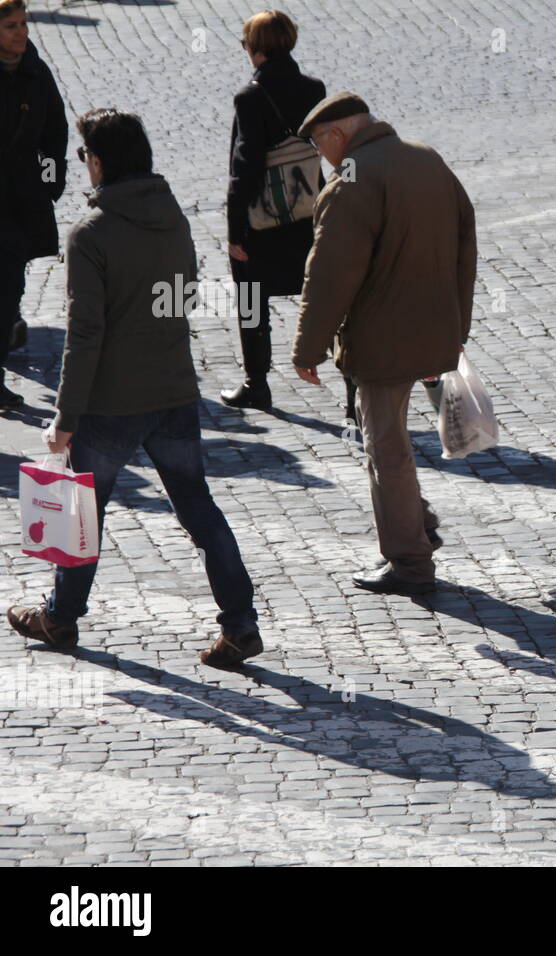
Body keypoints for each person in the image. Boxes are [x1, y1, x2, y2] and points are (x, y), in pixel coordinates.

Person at [6, 110, 263, 668]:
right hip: (173, 390)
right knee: (199, 510)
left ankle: (60, 617)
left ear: (98, 162)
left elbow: (86, 333)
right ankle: (240, 625)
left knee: (82, 515)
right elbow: (183, 296)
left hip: (110, 404)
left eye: (84, 157)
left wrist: (64, 416)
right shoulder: (172, 218)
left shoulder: (90, 234)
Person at [291, 93, 476, 596]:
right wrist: (458, 322)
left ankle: (410, 562)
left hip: (381, 337)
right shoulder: (426, 158)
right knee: (389, 444)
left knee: (385, 450)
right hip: (435, 325)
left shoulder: (353, 178)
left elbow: (330, 273)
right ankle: (420, 524)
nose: (321, 156)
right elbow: (465, 241)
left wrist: (308, 348)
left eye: (318, 144)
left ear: (336, 135)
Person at [221, 10, 326, 411]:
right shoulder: (314, 88)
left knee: (251, 299)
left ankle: (257, 383)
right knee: (325, 294)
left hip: (262, 221)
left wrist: (235, 231)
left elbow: (245, 165)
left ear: (255, 49)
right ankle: (352, 390)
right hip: (308, 211)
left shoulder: (250, 97)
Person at [0, 0, 66, 409]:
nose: (21, 33)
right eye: (11, 26)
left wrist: (49, 185)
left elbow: (54, 135)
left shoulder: (36, 73)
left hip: (20, 201)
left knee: (9, 290)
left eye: (23, 24)